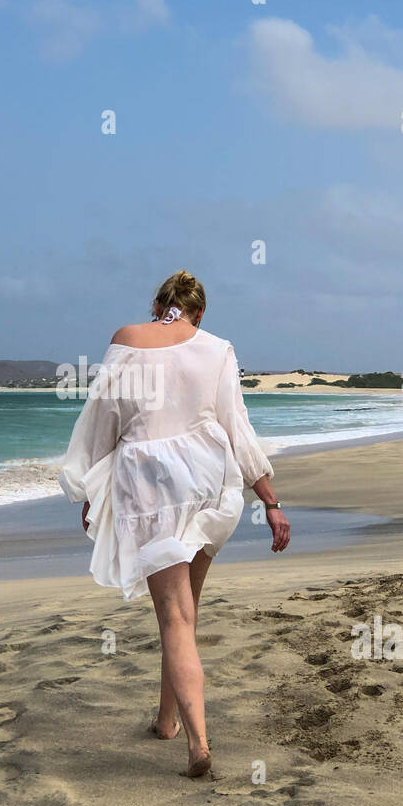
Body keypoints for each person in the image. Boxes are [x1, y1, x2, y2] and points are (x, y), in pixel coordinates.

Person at [59, 270, 289, 778]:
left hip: (151, 487)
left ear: (157, 305)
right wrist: (270, 501)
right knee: (187, 612)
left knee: (173, 618)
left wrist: (88, 490)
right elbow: (238, 428)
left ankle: (199, 745)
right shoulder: (218, 348)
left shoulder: (128, 340)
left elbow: (103, 423)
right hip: (210, 481)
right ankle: (167, 721)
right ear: (199, 312)